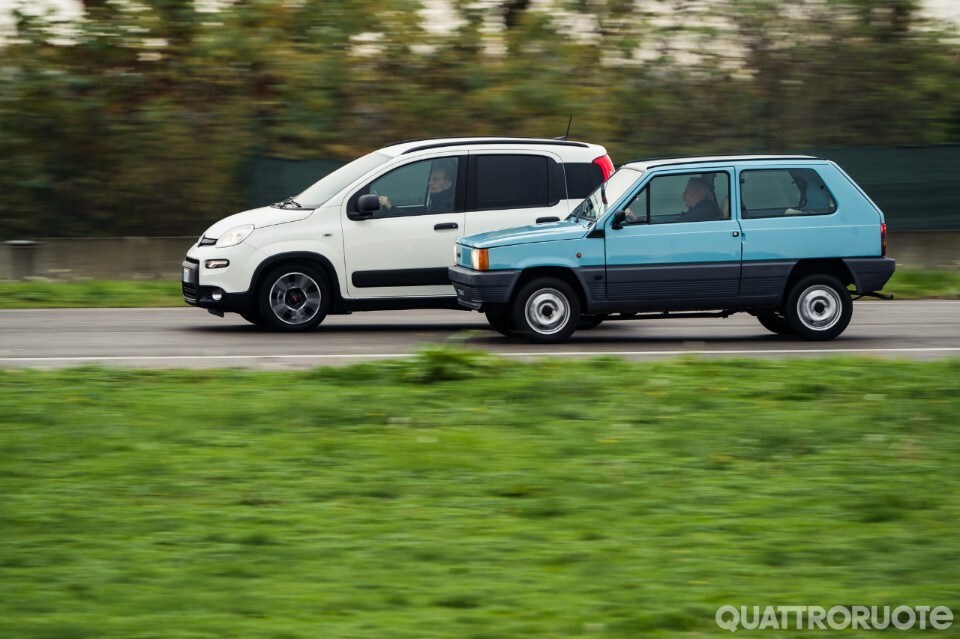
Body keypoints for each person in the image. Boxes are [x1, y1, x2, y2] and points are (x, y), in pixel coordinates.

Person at [377, 160, 456, 213]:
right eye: (430, 179)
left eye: (435, 180)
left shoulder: (444, 206)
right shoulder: (437, 202)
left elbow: (420, 224)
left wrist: (391, 208)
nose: (429, 183)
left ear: (447, 185)